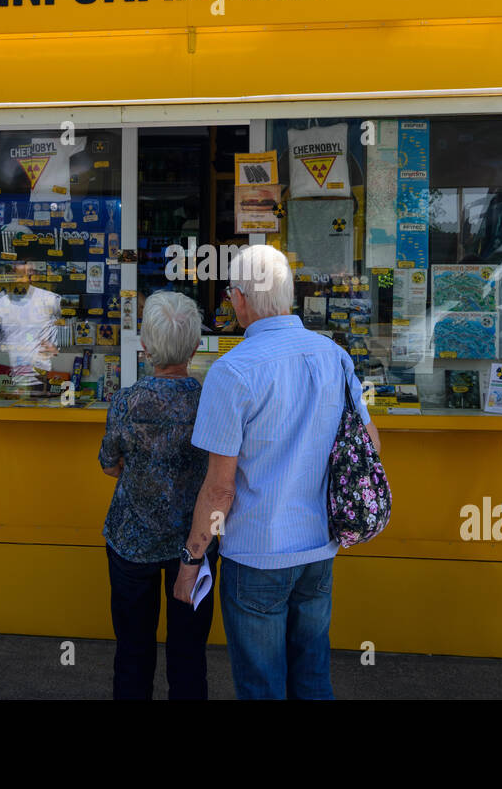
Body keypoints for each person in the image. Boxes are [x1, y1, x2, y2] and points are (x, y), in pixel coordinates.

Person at [173, 245, 379, 699]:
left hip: (258, 554)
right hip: (318, 547)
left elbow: (219, 490)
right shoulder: (335, 356)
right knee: (312, 677)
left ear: (241, 298)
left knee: (262, 685)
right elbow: (371, 447)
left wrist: (192, 559)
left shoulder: (232, 371)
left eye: (230, 294)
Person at [98, 291, 213, 699]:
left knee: (132, 651)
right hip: (194, 546)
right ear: (196, 346)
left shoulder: (127, 400)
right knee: (188, 656)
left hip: (132, 543)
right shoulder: (210, 401)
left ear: (145, 345)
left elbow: (109, 464)